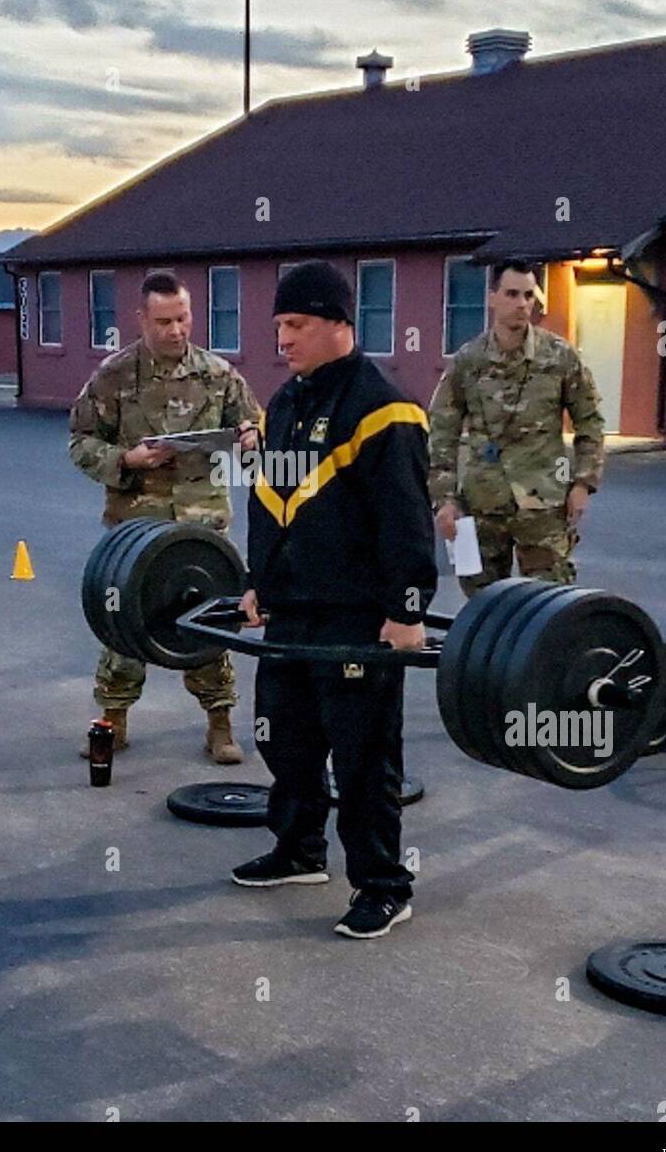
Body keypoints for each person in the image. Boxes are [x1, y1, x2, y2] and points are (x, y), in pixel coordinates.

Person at [234, 260, 437, 939]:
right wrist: (259, 580)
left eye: (295, 325)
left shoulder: (384, 408)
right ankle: (298, 850)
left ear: (337, 323)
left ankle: (383, 884)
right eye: (278, 327)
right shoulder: (287, 401)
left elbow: (406, 520)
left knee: (361, 756)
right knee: (283, 740)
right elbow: (269, 502)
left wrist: (406, 611)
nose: (282, 340)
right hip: (292, 610)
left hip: (356, 615)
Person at [70, 269, 261, 764]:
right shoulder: (114, 376)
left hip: (201, 530)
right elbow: (81, 443)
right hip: (136, 530)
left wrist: (249, 439)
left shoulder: (219, 376)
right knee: (123, 626)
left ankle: (219, 726)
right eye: (163, 321)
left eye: (183, 318)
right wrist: (126, 462)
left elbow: (254, 430)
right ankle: (113, 720)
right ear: (141, 319)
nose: (176, 330)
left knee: (211, 626)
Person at [429, 259, 605, 595]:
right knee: (482, 608)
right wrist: (445, 500)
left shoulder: (559, 357)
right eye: (511, 294)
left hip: (543, 506)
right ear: (492, 298)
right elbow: (442, 432)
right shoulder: (468, 361)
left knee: (549, 605)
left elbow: (590, 420)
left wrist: (583, 483)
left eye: (528, 295)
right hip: (481, 506)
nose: (522, 304)